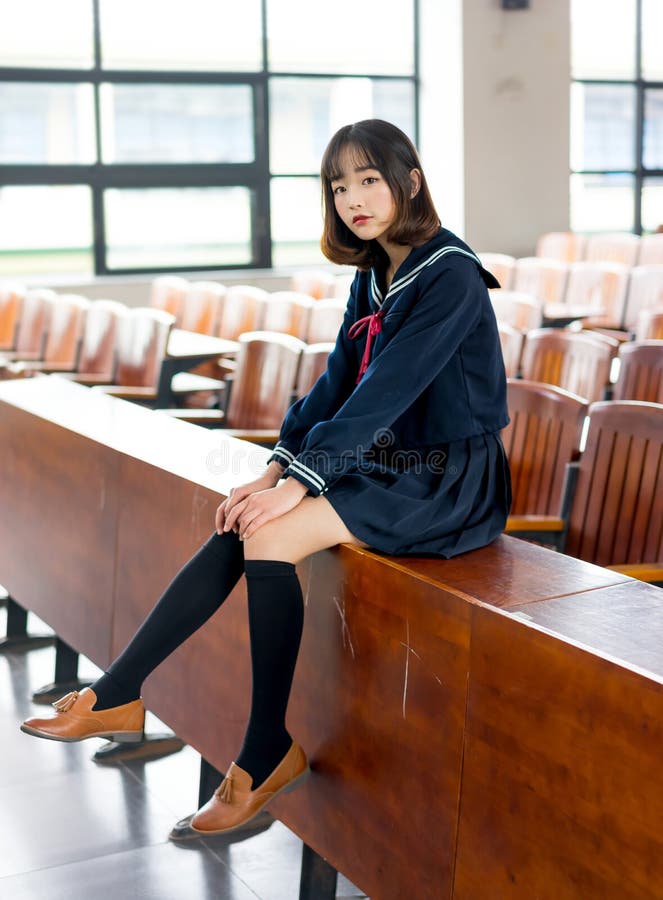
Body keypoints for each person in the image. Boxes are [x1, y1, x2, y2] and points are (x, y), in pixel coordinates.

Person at [20, 119, 511, 835]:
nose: (353, 199)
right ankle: (123, 694)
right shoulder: (375, 272)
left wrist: (301, 484)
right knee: (243, 518)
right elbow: (337, 383)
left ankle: (257, 748)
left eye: (368, 179)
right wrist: (278, 464)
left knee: (271, 536)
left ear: (409, 181)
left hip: (443, 476)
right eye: (339, 185)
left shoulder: (451, 274)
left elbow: (387, 391)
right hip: (382, 458)